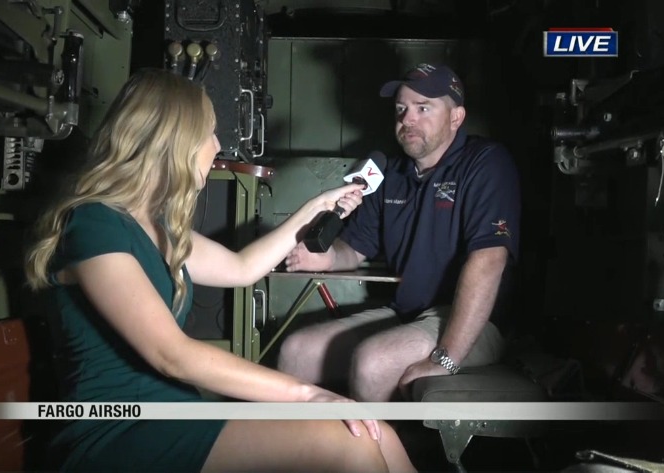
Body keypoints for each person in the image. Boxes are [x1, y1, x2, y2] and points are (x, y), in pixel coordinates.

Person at [24, 69, 415, 473]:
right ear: (172, 140)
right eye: (209, 133)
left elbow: (242, 268)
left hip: (177, 415)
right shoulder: (94, 224)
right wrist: (309, 395)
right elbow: (171, 354)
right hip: (119, 433)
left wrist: (317, 207)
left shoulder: (159, 228)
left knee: (378, 434)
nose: (217, 145)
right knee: (349, 443)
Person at [278, 63, 521, 402]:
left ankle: (379, 440)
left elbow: (489, 261)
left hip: (475, 322)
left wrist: (446, 357)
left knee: (374, 363)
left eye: (423, 108)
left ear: (456, 117)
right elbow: (356, 248)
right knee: (297, 352)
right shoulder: (392, 173)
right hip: (408, 311)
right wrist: (328, 257)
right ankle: (310, 439)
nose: (408, 119)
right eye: (401, 108)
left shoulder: (485, 163)